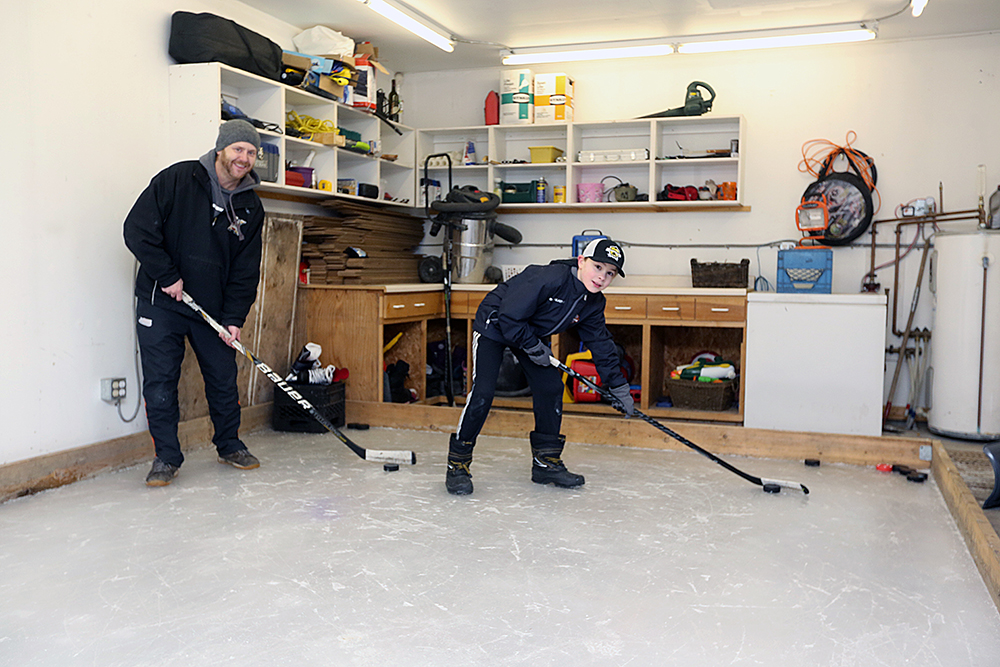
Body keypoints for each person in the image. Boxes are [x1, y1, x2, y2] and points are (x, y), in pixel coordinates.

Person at [124, 119, 265, 487]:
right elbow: (137, 230)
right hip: (162, 302)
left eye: (251, 152)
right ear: (221, 149)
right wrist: (166, 275)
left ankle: (229, 444)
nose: (244, 158)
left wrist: (234, 318)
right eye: (238, 149)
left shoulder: (251, 206)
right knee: (160, 383)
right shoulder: (178, 179)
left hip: (212, 312)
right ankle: (166, 458)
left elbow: (246, 271)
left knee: (222, 378)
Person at [446, 238, 635, 496]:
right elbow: (510, 314)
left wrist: (619, 386)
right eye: (598, 267)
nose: (602, 277)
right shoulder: (551, 277)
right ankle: (457, 463)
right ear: (582, 261)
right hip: (496, 324)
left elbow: (601, 344)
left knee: (550, 387)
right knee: (483, 393)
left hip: (530, 334)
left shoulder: (593, 302)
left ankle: (545, 462)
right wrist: (532, 346)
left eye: (610, 273)